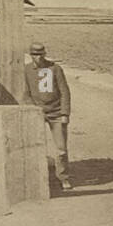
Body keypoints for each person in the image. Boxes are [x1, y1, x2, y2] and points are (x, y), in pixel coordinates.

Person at [24, 41, 73, 191]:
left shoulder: (55, 69)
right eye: (34, 55)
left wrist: (64, 113)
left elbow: (65, 92)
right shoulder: (26, 70)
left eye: (40, 54)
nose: (37, 58)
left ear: (44, 54)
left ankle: (63, 177)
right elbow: (26, 94)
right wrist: (33, 109)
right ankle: (38, 178)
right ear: (30, 55)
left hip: (56, 112)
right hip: (38, 113)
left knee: (61, 149)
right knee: (35, 147)